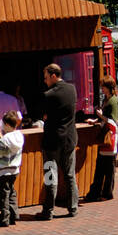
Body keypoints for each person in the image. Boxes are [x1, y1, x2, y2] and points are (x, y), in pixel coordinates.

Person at [36, 62, 78, 220]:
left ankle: (48, 211)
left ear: (53, 76)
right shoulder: (72, 89)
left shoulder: (49, 95)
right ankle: (73, 208)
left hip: (52, 141)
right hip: (69, 139)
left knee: (50, 177)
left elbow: (44, 115)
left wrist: (48, 117)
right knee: (70, 175)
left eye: (46, 78)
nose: (45, 81)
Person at [87, 78, 118, 201]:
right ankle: (97, 192)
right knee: (101, 166)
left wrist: (100, 115)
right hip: (104, 134)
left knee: (109, 167)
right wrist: (95, 120)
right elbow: (104, 118)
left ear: (109, 87)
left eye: (103, 86)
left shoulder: (113, 101)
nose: (101, 89)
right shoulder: (106, 99)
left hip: (110, 135)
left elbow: (112, 121)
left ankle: (107, 193)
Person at [0, 111, 24, 226]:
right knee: (11, 191)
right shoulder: (19, 136)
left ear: (6, 124)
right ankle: (14, 214)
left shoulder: (4, 139)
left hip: (4, 170)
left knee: (3, 194)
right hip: (14, 169)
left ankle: (4, 218)